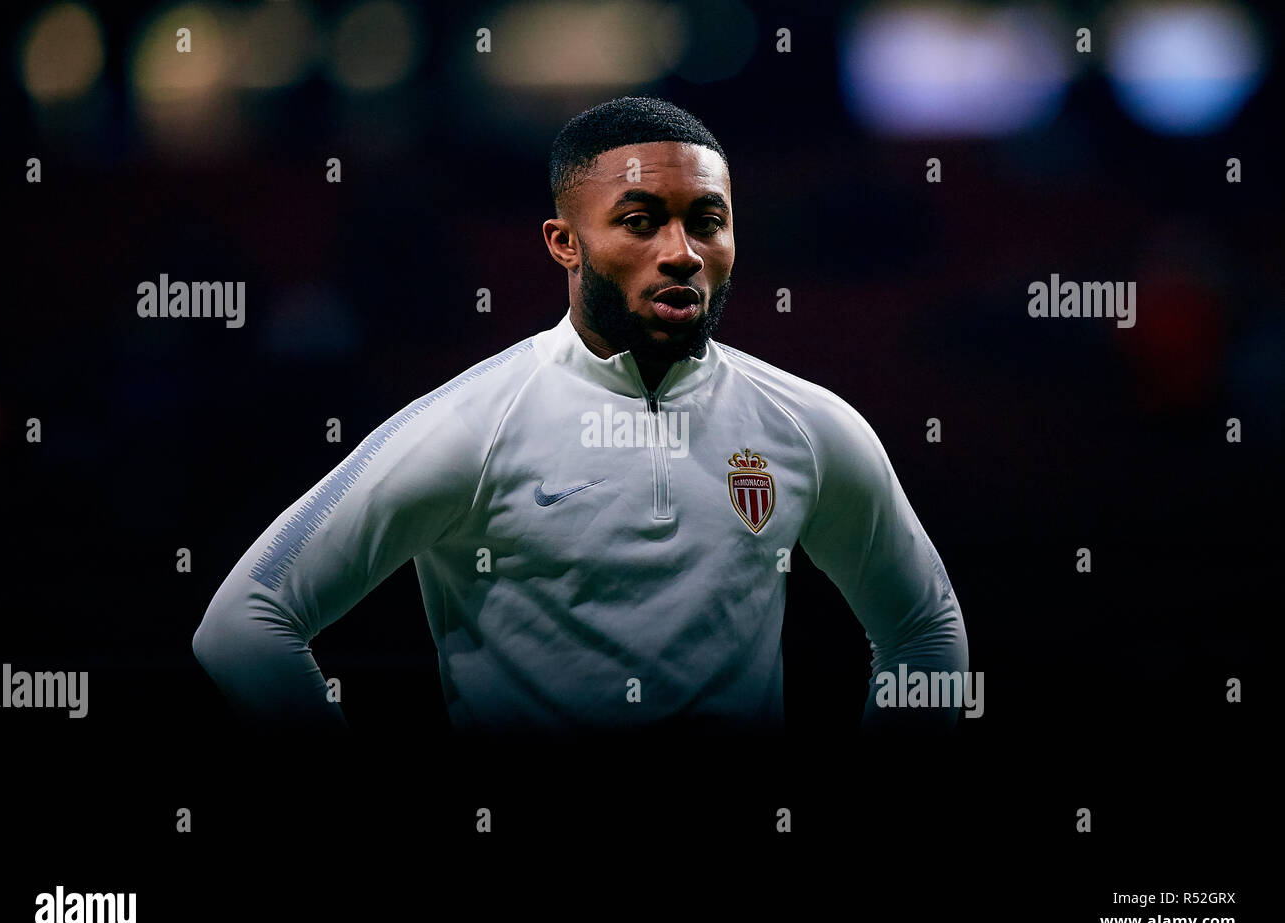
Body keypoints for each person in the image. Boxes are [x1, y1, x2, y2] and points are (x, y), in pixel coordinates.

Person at [192, 96, 967, 738]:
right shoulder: (472, 424)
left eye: (707, 220)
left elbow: (925, 629)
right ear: (565, 243)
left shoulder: (809, 426)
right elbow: (245, 625)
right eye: (640, 221)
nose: (682, 252)